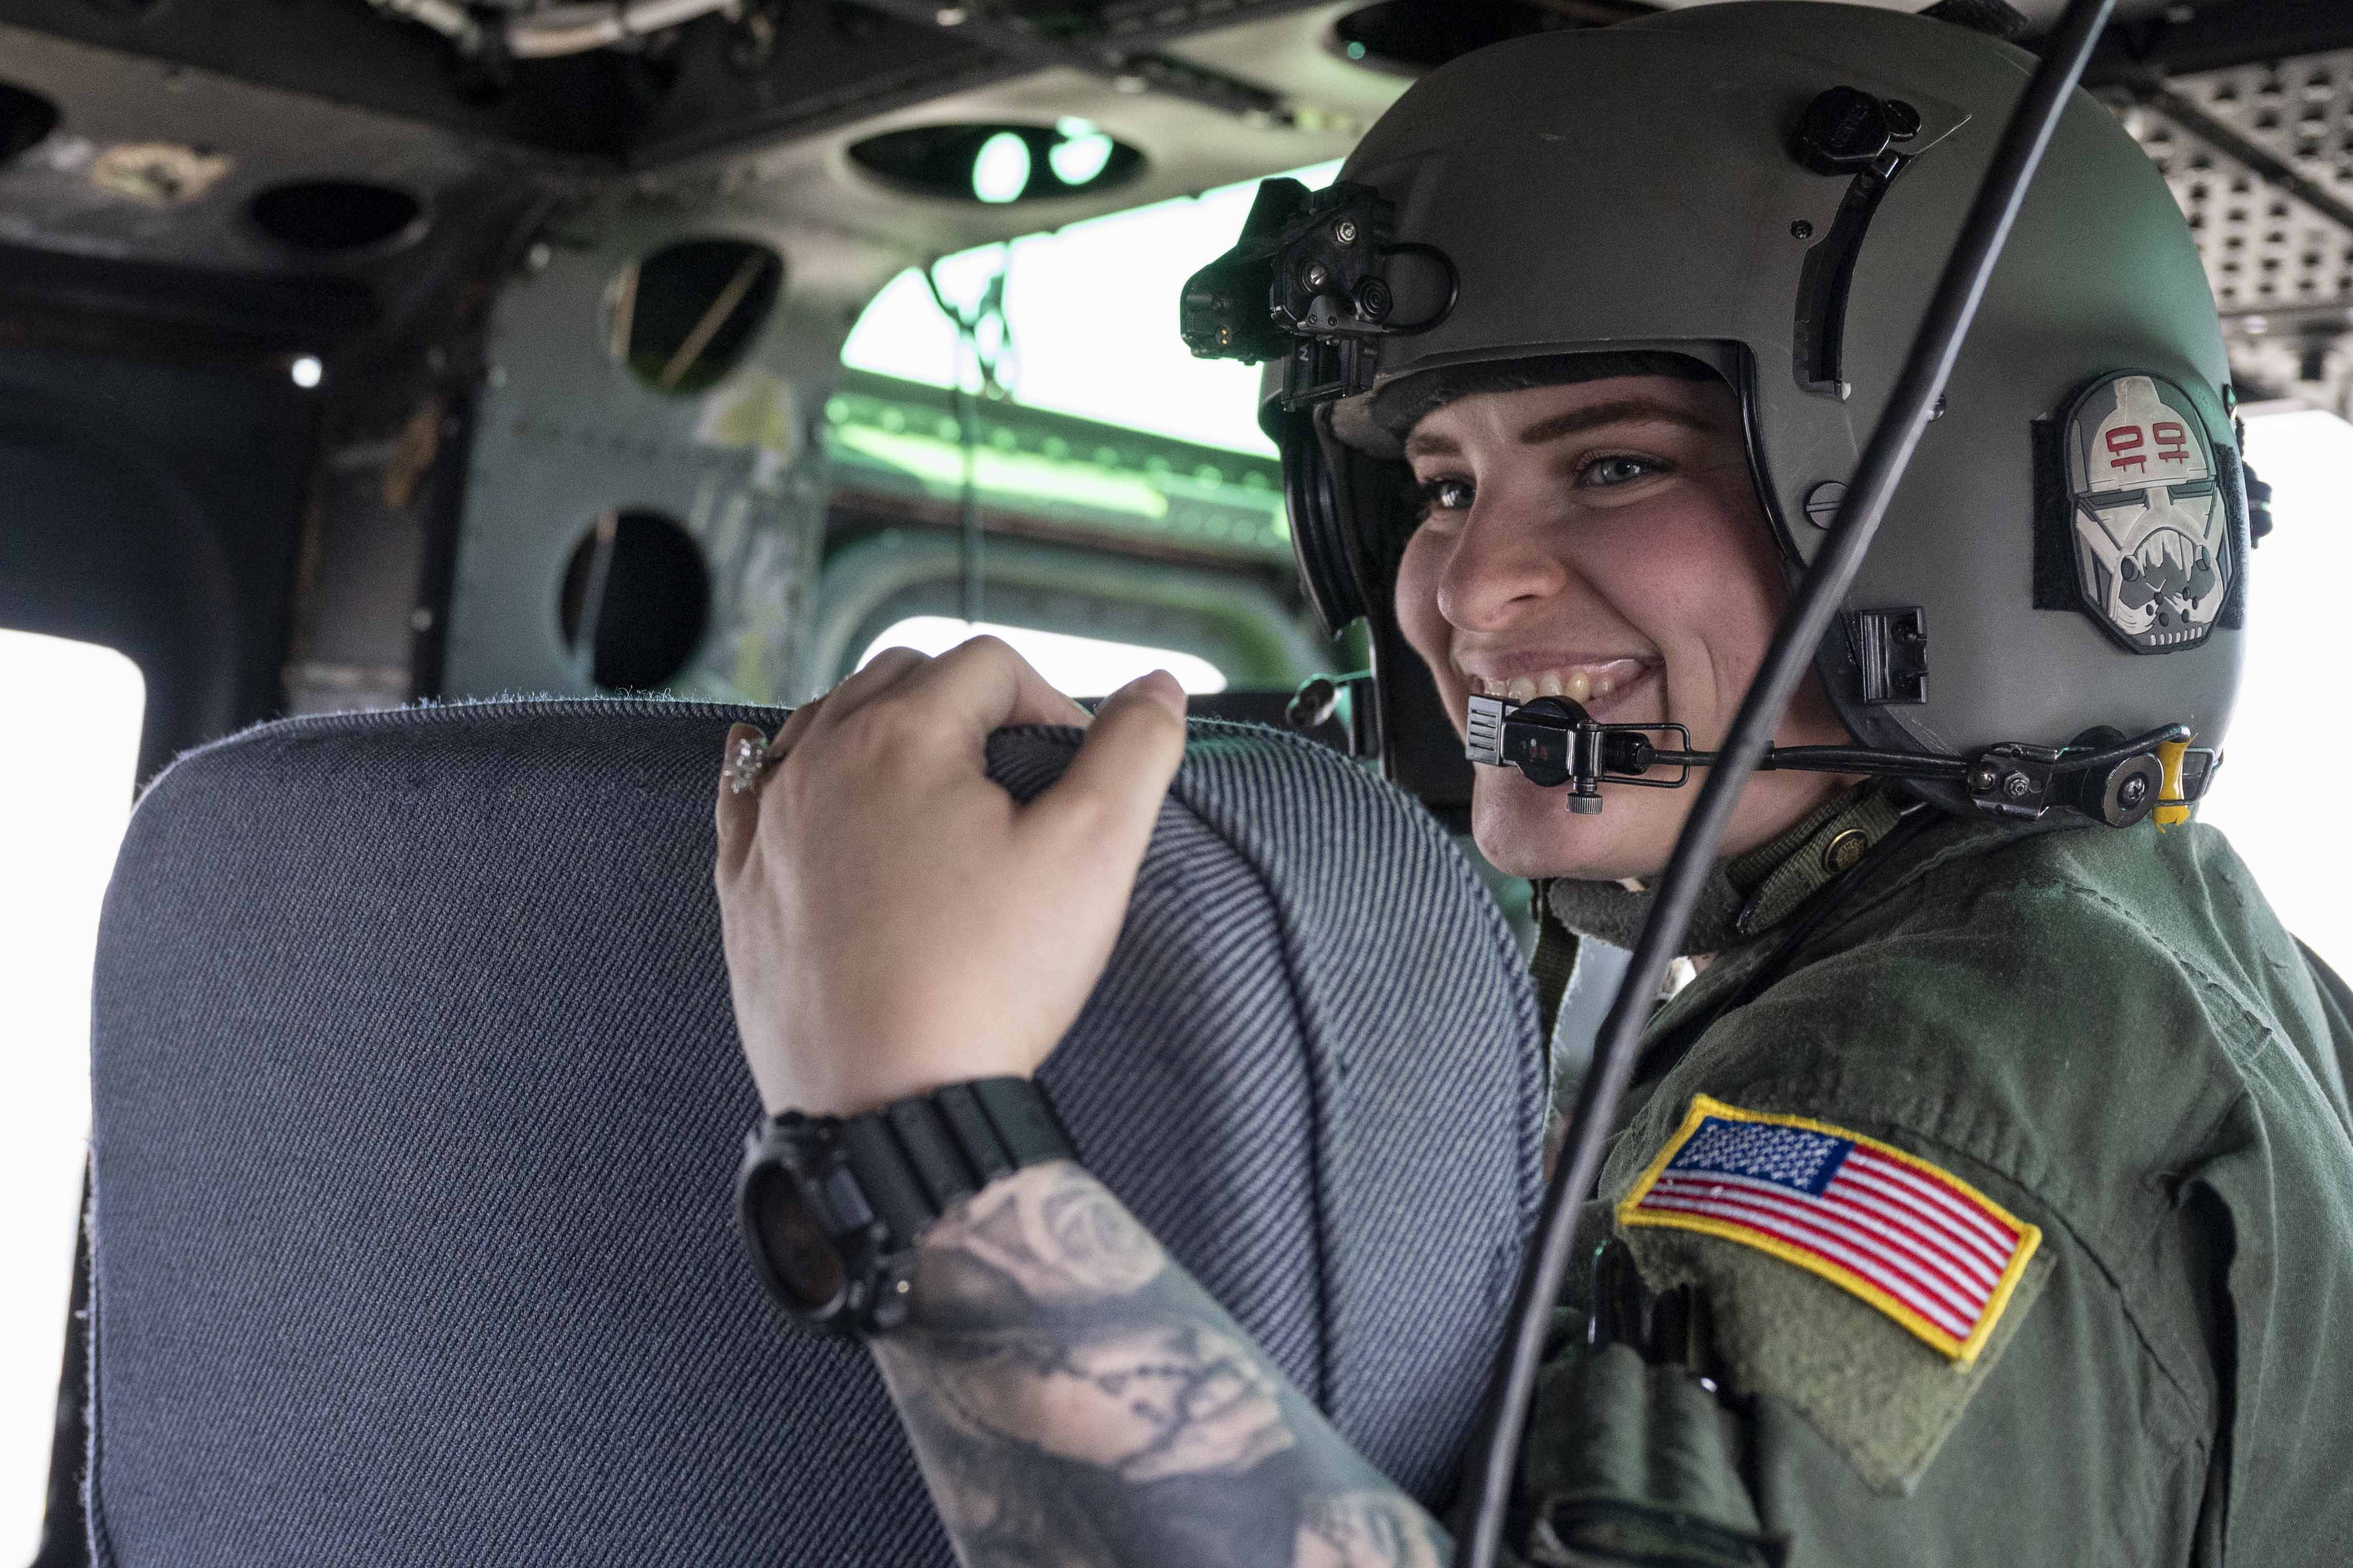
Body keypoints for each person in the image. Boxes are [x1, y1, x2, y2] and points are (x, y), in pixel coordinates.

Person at [713, 3, 2353, 1563]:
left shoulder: (1924, 1084)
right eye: (1436, 484)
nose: (1465, 586)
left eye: (1615, 463)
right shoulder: (2150, 959)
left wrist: (917, 1128)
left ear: (1971, 516)